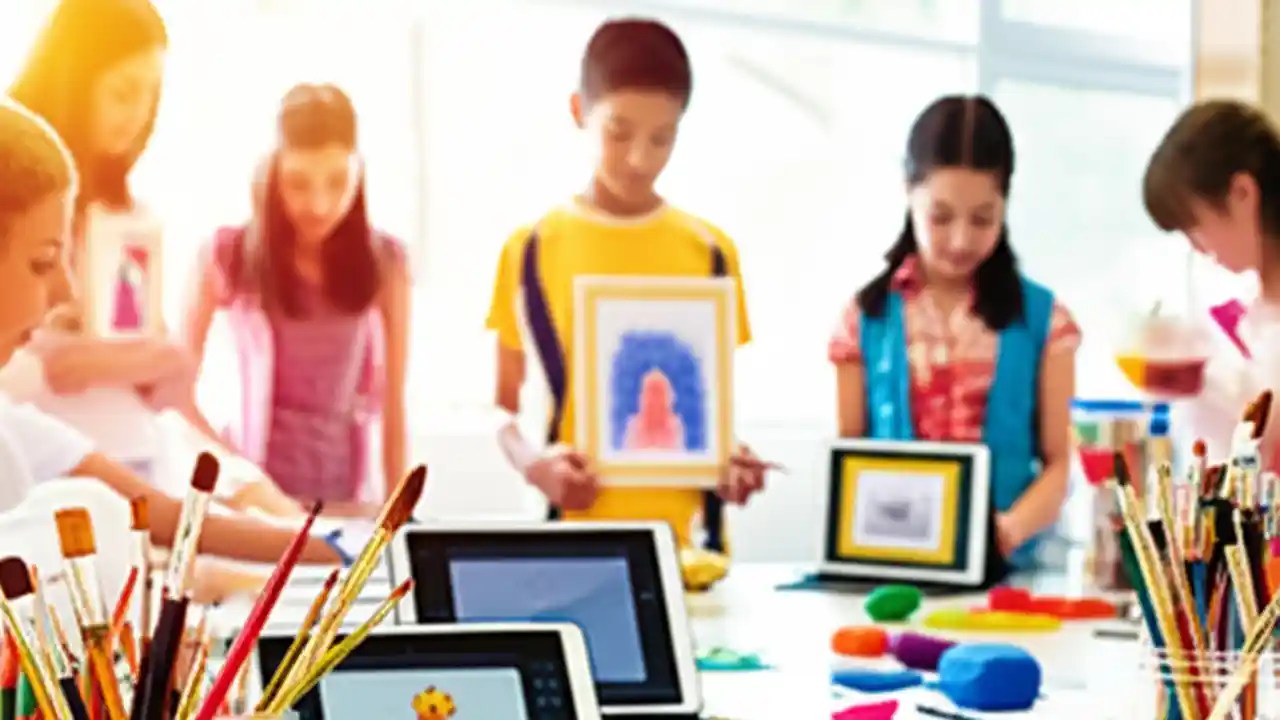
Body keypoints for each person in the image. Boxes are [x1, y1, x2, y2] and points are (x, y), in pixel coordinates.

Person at [0, 99, 345, 567]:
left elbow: (163, 515)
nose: (66, 288)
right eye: (42, 262)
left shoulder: (12, 429)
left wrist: (353, 550)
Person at [4, 0, 302, 518]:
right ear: (75, 81)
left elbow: (163, 376)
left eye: (151, 94)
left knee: (267, 506)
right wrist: (145, 359)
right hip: (75, 465)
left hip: (142, 444)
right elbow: (52, 369)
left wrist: (236, 465)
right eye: (123, 91)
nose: (139, 113)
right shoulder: (23, 202)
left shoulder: (130, 219)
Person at [485, 18, 768, 552]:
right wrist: (534, 466)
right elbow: (501, 408)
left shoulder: (711, 252)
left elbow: (705, 412)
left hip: (690, 552)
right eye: (619, 133)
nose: (641, 158)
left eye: (662, 138)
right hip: (570, 544)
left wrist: (731, 460)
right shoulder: (533, 248)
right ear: (578, 112)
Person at [827, 96, 1080, 570]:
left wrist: (1005, 532)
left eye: (983, 219)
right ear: (908, 192)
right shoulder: (865, 318)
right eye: (940, 217)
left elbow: (1060, 462)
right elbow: (849, 459)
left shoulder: (1046, 320)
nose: (962, 239)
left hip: (1012, 572)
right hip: (892, 565)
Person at [182, 84, 412, 516]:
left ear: (359, 174)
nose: (320, 204)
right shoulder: (227, 255)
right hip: (256, 507)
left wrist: (396, 515)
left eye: (338, 182)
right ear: (271, 173)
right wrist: (232, 471)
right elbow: (176, 393)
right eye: (298, 183)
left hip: (347, 503)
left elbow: (393, 402)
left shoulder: (386, 262)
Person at [1142, 99, 1280, 464]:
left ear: (1242, 195)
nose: (1196, 248)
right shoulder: (1245, 315)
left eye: (1194, 227)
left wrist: (1210, 385)